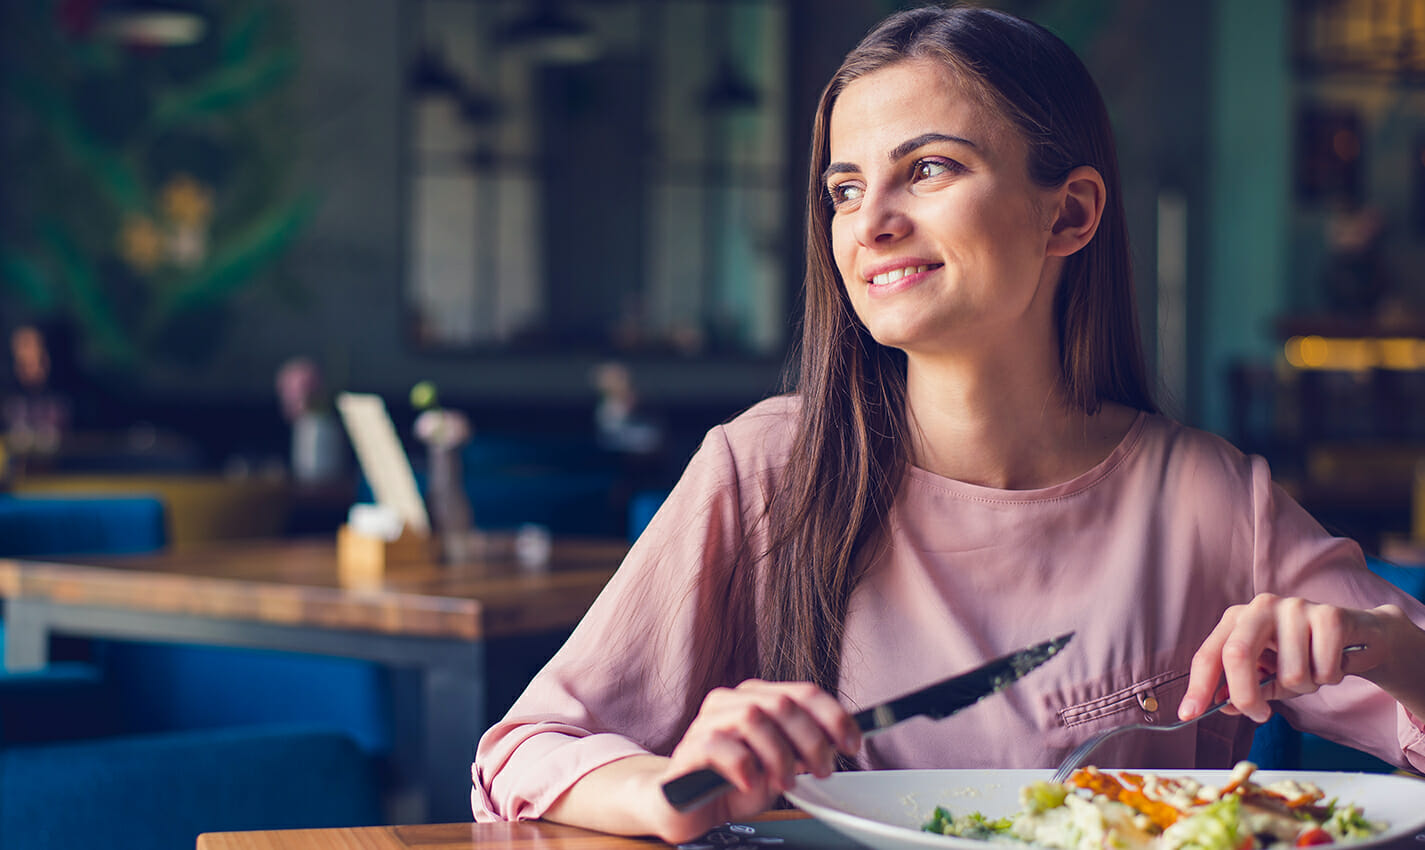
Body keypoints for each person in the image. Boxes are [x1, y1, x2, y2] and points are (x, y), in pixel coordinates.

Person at [473, 4, 1425, 843]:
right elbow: (523, 752)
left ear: (1070, 214)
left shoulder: (1209, 498)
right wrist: (673, 789)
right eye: (845, 187)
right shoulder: (766, 466)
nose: (868, 222)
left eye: (926, 168)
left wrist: (1384, 648)